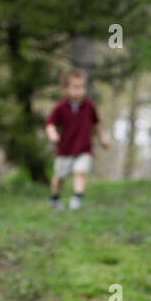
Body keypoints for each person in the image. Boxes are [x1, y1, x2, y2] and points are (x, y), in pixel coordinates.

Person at [45, 69, 110, 210]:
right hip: (65, 150)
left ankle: (76, 198)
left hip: (84, 148)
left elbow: (96, 123)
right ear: (66, 89)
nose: (80, 91)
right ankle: (55, 198)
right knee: (60, 177)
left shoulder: (89, 105)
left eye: (82, 87)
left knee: (80, 171)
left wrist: (102, 139)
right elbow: (50, 123)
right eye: (75, 87)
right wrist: (53, 134)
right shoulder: (61, 108)